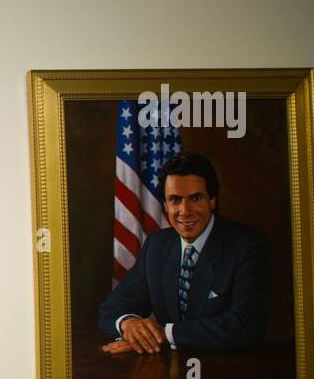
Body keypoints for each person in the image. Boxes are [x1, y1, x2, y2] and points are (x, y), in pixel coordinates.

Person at [98, 151, 269, 354]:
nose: (185, 211)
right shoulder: (156, 245)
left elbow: (245, 326)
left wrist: (162, 335)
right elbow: (110, 309)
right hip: (166, 375)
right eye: (175, 200)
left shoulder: (248, 246)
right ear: (165, 205)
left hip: (228, 373)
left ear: (212, 200)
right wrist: (130, 325)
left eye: (195, 198)